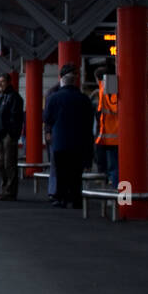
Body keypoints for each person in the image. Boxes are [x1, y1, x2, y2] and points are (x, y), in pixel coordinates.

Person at [43, 64, 95, 208]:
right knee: (76, 173)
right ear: (74, 82)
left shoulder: (54, 98)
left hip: (60, 141)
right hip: (79, 142)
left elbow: (47, 118)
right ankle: (76, 199)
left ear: (62, 81)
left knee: (61, 171)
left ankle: (61, 198)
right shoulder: (84, 99)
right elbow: (89, 120)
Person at [0, 72, 24, 201]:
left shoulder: (15, 98)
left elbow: (16, 117)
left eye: (2, 82)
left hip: (8, 135)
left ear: (9, 82)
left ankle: (10, 191)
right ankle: (5, 189)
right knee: (0, 164)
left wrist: (11, 132)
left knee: (9, 163)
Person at [95, 68, 119, 187]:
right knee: (117, 167)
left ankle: (120, 198)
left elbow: (101, 114)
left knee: (114, 167)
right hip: (115, 135)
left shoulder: (103, 91)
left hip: (109, 136)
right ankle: (123, 198)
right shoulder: (110, 90)